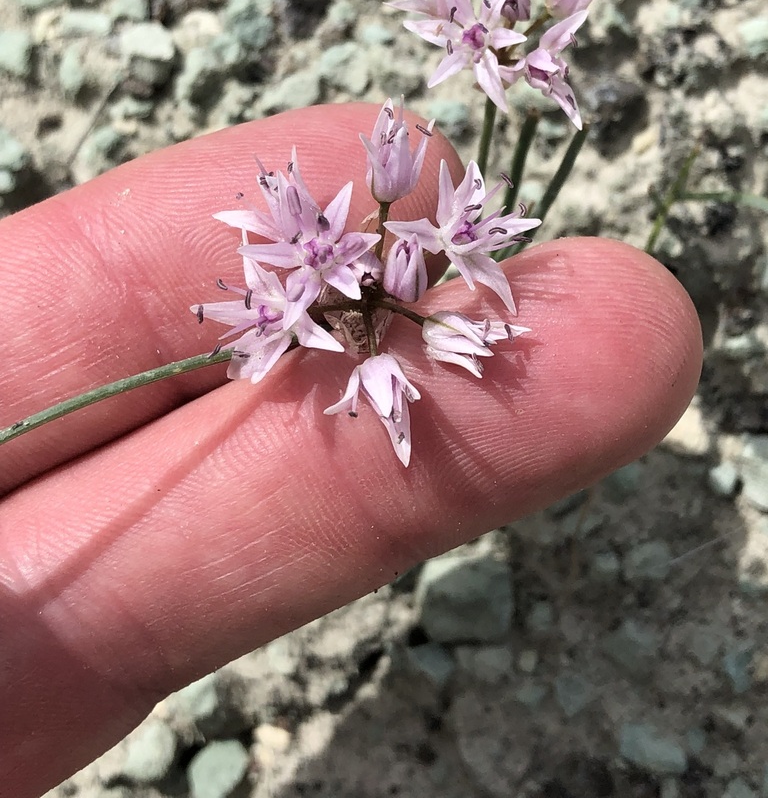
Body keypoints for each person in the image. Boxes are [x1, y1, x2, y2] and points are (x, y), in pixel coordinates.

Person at [0, 104, 702, 798]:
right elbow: (329, 283)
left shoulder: (367, 254)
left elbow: (368, 280)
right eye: (310, 248)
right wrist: (306, 300)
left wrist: (349, 291)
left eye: (323, 243)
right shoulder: (309, 271)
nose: (317, 247)